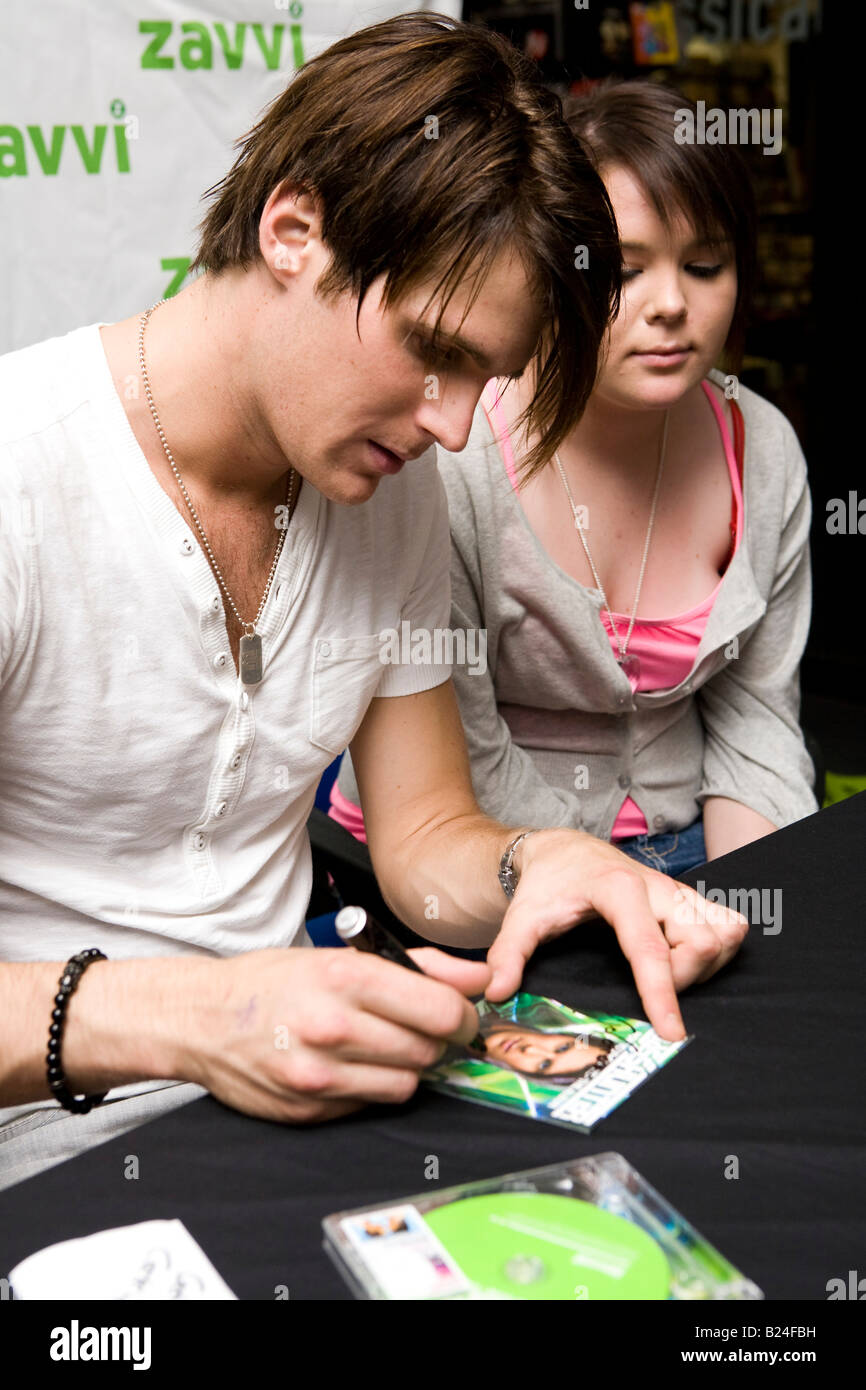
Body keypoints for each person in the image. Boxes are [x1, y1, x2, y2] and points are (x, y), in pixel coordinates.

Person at [0, 22, 745, 1193]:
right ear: (292, 230)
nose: (454, 427)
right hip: (43, 1145)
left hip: (288, 1109)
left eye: (485, 382)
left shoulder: (388, 489)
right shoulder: (18, 478)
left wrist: (532, 864)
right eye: (431, 352)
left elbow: (421, 843)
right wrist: (194, 1017)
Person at [331, 79, 817, 878]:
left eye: (704, 265)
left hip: (685, 846)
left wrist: (756, 910)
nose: (671, 305)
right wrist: (623, 900)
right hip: (474, 862)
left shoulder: (762, 449)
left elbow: (757, 716)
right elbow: (465, 764)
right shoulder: (454, 455)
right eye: (623, 271)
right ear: (548, 273)